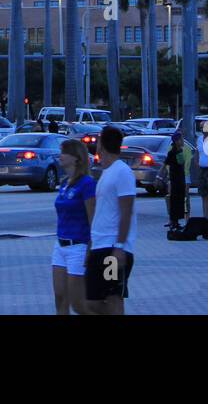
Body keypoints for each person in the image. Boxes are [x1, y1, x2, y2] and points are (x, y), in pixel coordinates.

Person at [85, 126, 135, 315]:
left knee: (113, 296)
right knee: (91, 301)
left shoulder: (122, 172)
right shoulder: (107, 171)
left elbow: (126, 211)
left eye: (98, 141)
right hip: (99, 246)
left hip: (112, 248)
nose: (96, 145)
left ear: (102, 145)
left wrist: (119, 246)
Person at [52, 139, 96, 315]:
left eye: (64, 152)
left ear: (76, 158)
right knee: (60, 298)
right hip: (60, 246)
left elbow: (93, 219)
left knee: (78, 304)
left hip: (78, 247)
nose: (60, 156)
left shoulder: (87, 184)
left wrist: (90, 250)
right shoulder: (64, 184)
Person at [164, 130, 188, 230]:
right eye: (181, 139)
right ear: (177, 141)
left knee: (178, 200)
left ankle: (175, 221)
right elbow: (180, 162)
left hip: (178, 178)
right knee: (176, 200)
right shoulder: (175, 151)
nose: (182, 141)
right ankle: (174, 221)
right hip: (176, 179)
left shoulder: (176, 151)